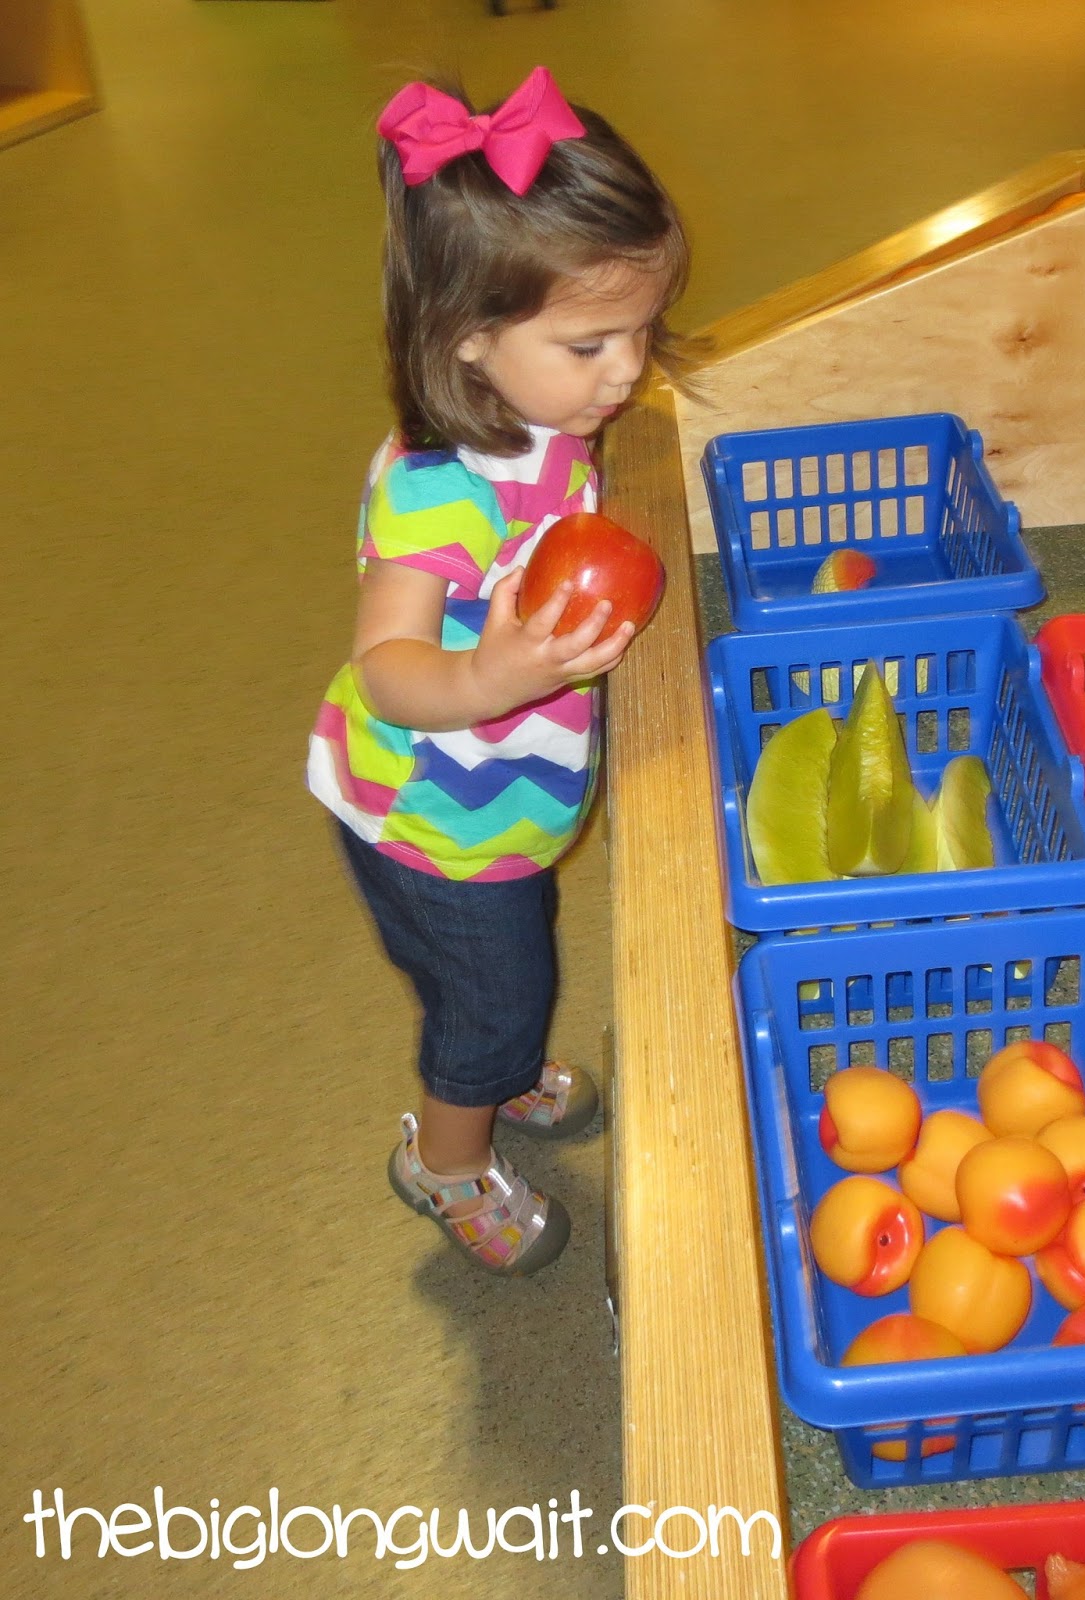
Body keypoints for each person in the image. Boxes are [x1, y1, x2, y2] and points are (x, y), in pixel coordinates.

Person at [307, 67, 690, 1276]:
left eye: (642, 331)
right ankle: (449, 1156)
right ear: (467, 335)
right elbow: (388, 666)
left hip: (500, 798)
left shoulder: (548, 422)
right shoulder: (439, 486)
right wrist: (497, 675)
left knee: (502, 963)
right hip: (431, 812)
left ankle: (502, 1071)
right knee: (488, 1003)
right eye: (590, 342)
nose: (626, 371)